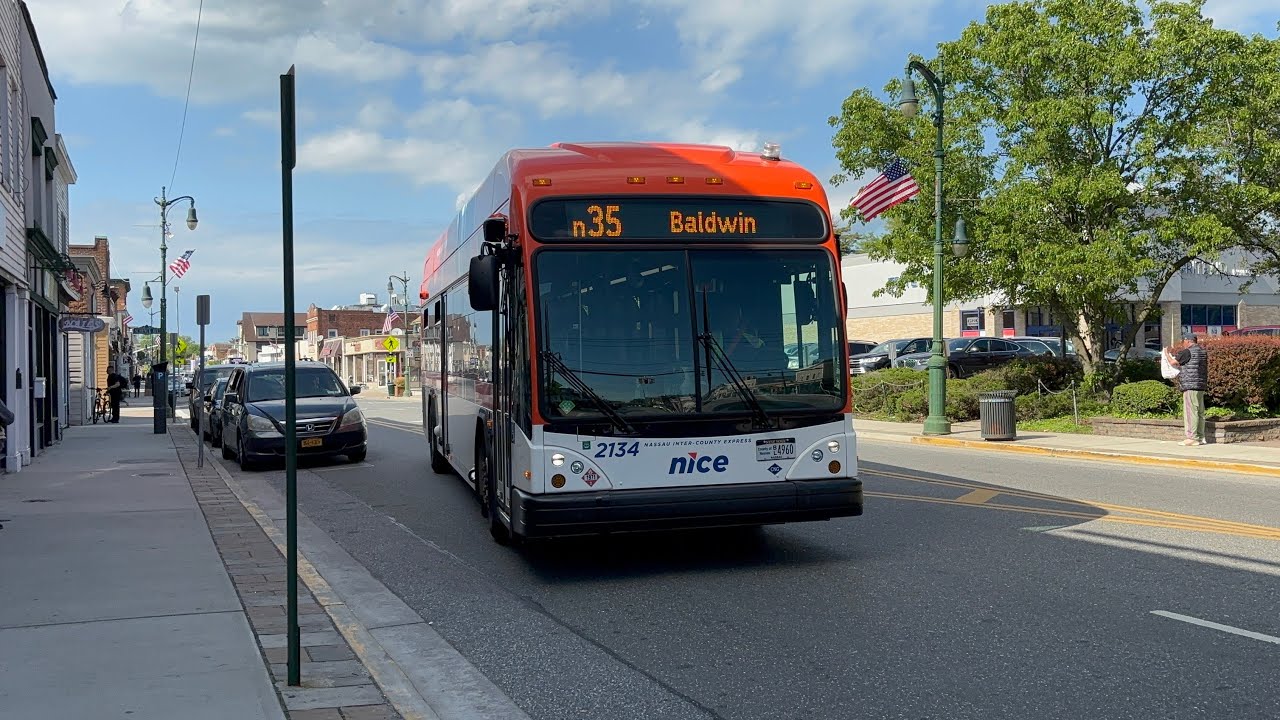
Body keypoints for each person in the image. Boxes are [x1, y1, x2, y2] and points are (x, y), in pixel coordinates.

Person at [1167, 334, 1208, 446]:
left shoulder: (1187, 352)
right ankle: (1200, 436)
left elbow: (1173, 362)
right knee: (1200, 412)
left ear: (1187, 341)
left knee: (1191, 412)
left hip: (1190, 385)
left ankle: (1192, 437)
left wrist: (1166, 354)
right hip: (1200, 384)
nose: (1183, 343)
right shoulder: (1202, 351)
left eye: (1183, 341)